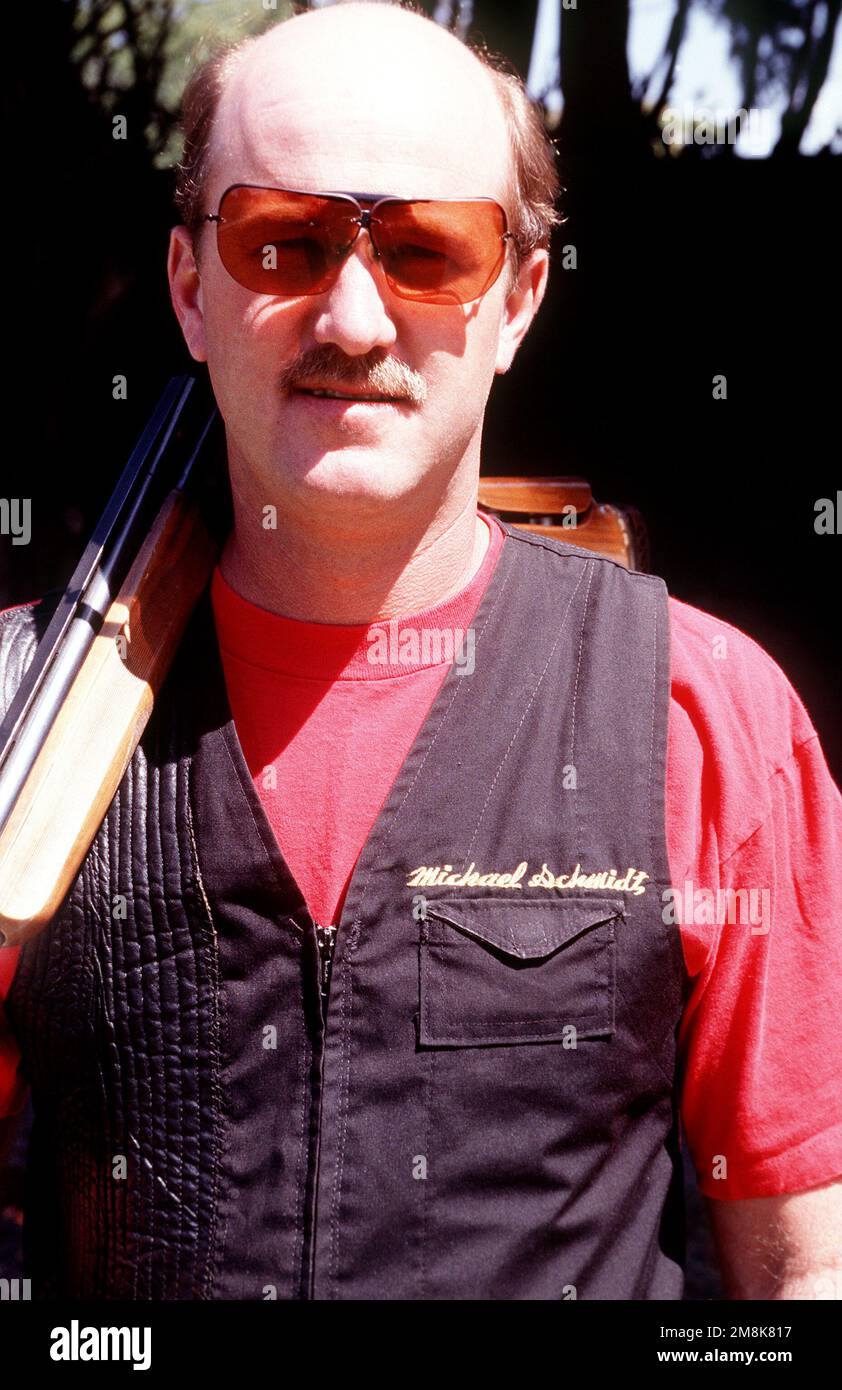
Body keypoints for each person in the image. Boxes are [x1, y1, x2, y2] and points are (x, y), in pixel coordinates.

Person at [0, 0, 840, 1301]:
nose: (350, 318)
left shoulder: (700, 711)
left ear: (514, 300)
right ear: (189, 289)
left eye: (425, 252)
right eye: (281, 242)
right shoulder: (16, 726)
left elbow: (800, 1271)